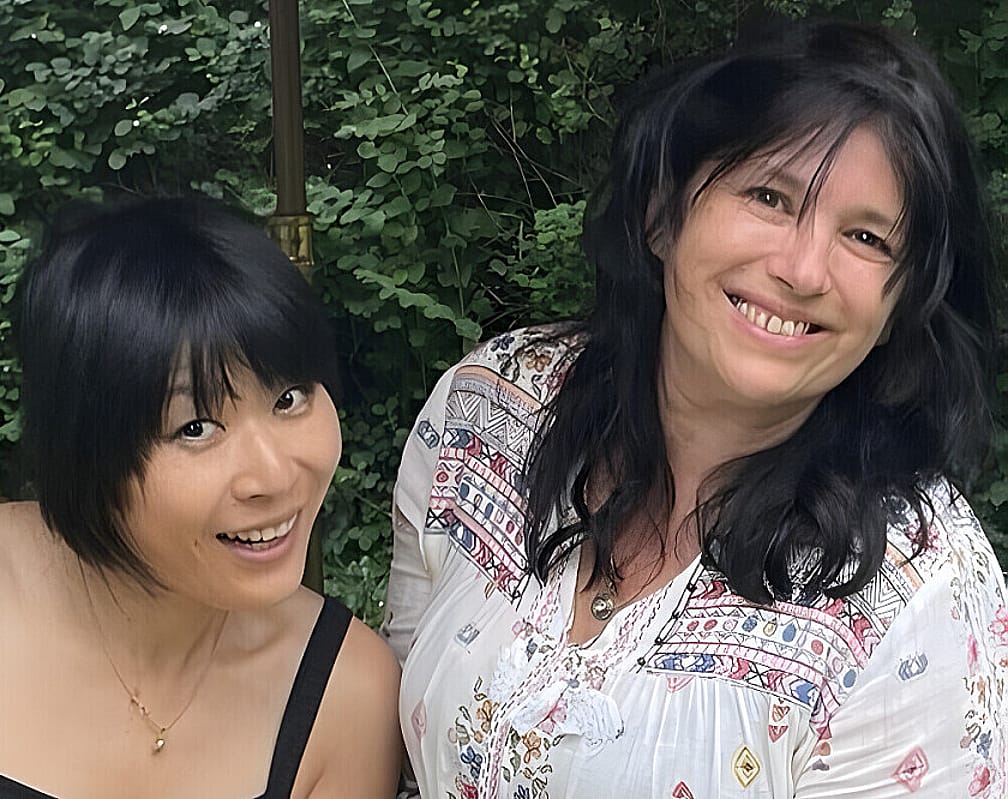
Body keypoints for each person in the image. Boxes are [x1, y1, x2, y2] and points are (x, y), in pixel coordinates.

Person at [382, 19, 1007, 798]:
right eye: (770, 196)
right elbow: (394, 738)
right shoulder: (491, 410)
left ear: (903, 303)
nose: (803, 269)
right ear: (661, 215)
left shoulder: (917, 596)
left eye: (866, 237)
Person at [0, 196, 402, 798]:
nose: (274, 476)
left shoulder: (344, 698)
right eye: (194, 427)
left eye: (290, 399)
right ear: (85, 451)